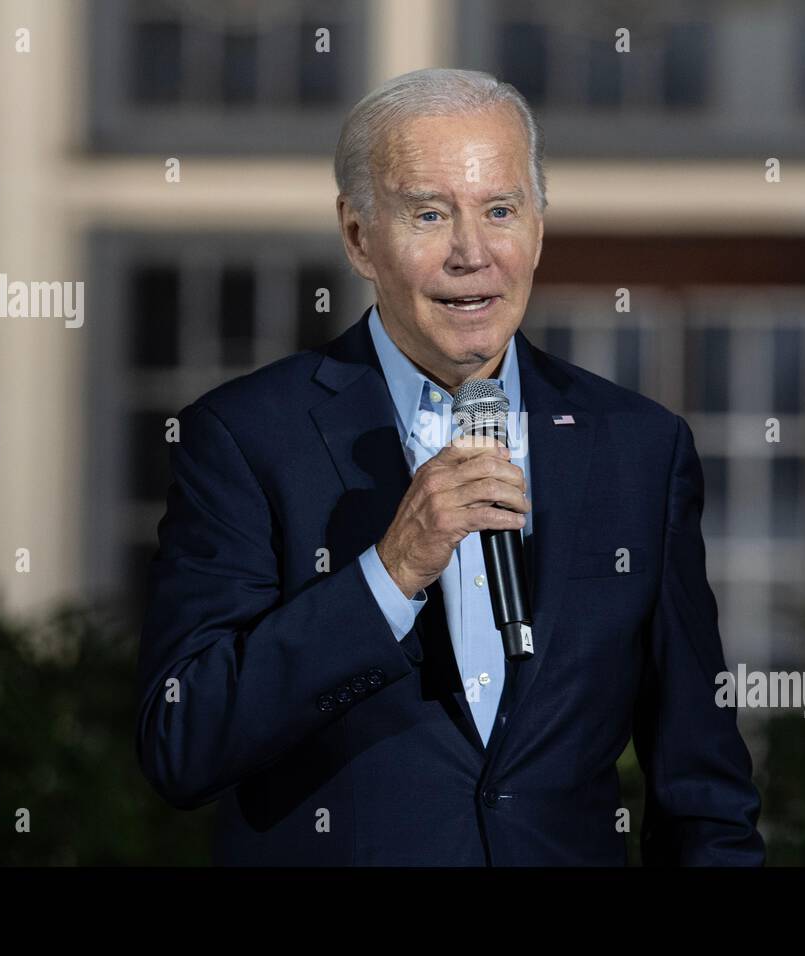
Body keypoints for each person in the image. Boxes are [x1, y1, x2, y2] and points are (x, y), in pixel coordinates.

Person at [135, 67, 765, 866]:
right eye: (429, 214)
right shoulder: (243, 438)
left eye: (500, 210)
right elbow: (180, 742)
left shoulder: (639, 447)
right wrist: (390, 573)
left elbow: (702, 790)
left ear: (538, 226)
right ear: (359, 236)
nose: (473, 254)